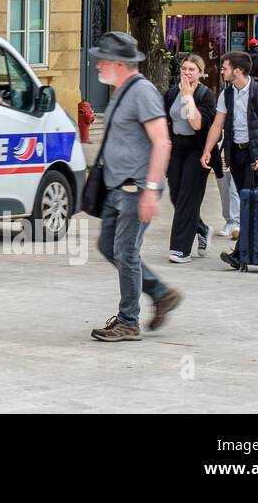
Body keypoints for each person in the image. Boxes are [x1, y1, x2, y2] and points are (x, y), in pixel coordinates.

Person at [87, 31, 181, 342]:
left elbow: (162, 142)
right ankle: (160, 292)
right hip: (118, 187)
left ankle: (129, 321)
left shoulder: (142, 92)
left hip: (136, 188)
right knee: (108, 246)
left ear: (118, 63)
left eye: (102, 60)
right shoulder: (121, 90)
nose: (97, 65)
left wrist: (151, 189)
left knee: (125, 251)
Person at [200, 51, 258, 269]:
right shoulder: (227, 94)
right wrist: (207, 150)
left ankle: (242, 254)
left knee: (250, 201)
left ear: (237, 71)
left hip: (257, 155)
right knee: (248, 201)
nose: (222, 71)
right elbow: (217, 125)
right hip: (235, 153)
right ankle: (252, 251)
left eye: (225, 68)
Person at [164, 54, 215, 263]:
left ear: (201, 72)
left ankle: (181, 249)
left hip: (197, 148)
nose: (186, 73)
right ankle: (202, 229)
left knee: (188, 197)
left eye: (192, 69)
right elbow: (165, 120)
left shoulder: (205, 95)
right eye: (184, 68)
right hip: (176, 147)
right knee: (176, 196)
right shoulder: (171, 93)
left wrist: (188, 97)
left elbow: (196, 124)